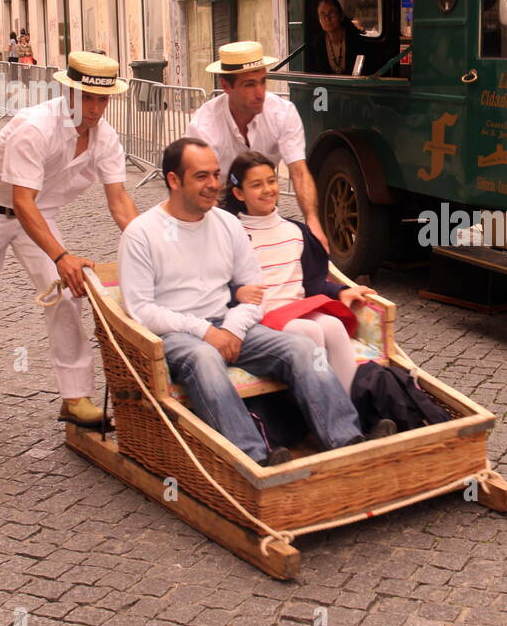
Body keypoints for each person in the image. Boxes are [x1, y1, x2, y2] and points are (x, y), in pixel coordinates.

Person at [118, 138, 382, 466]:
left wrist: (231, 327)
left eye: (216, 175)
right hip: (175, 336)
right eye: (201, 176)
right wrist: (205, 332)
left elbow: (254, 292)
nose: (214, 184)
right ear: (174, 180)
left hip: (229, 325)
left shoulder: (227, 225)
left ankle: (345, 440)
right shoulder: (142, 233)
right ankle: (254, 460)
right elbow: (141, 310)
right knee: (204, 358)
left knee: (302, 349)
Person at [0, 51, 140, 428]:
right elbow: (21, 200)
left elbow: (119, 202)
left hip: (39, 218)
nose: (96, 108)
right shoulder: (34, 127)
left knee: (67, 293)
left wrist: (153, 246)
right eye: (88, 98)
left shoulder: (105, 136)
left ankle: (75, 397)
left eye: (103, 99)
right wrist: (62, 255)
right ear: (70, 93)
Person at [223, 150, 374, 392]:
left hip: (298, 308)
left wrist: (341, 291)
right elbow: (220, 286)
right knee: (310, 330)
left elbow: (313, 283)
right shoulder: (232, 235)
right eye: (256, 185)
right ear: (239, 193)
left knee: (333, 325)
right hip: (260, 318)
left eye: (271, 181)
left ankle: (354, 410)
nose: (268, 189)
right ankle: (321, 415)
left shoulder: (297, 231)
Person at [185, 41, 328, 249]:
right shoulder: (204, 125)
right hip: (217, 203)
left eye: (263, 82)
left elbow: (299, 173)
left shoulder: (283, 112)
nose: (260, 92)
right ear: (226, 86)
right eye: (249, 85)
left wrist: (313, 221)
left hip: (262, 202)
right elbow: (200, 188)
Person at [306, 0, 374, 76]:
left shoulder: (356, 40)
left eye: (331, 13)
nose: (327, 18)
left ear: (341, 16)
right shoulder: (317, 42)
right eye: (322, 14)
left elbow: (364, 72)